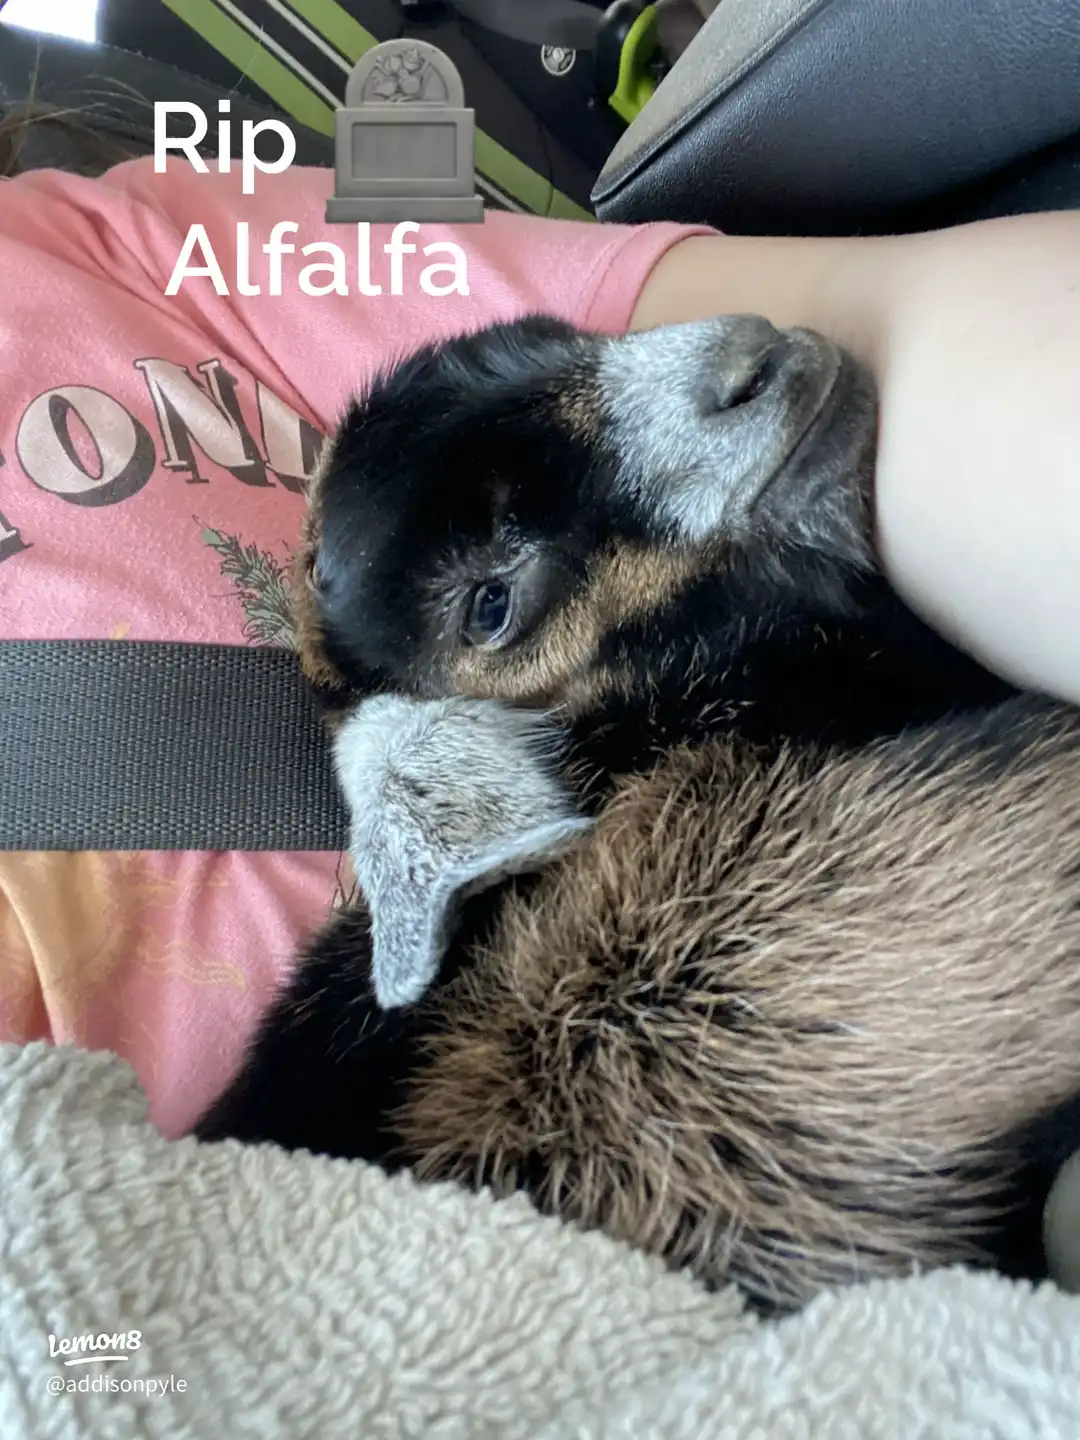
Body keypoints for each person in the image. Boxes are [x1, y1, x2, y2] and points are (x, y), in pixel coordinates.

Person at [0, 150, 1076, 1135]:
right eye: (491, 611)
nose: (728, 356)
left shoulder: (106, 240)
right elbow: (109, 1339)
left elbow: (880, 316)